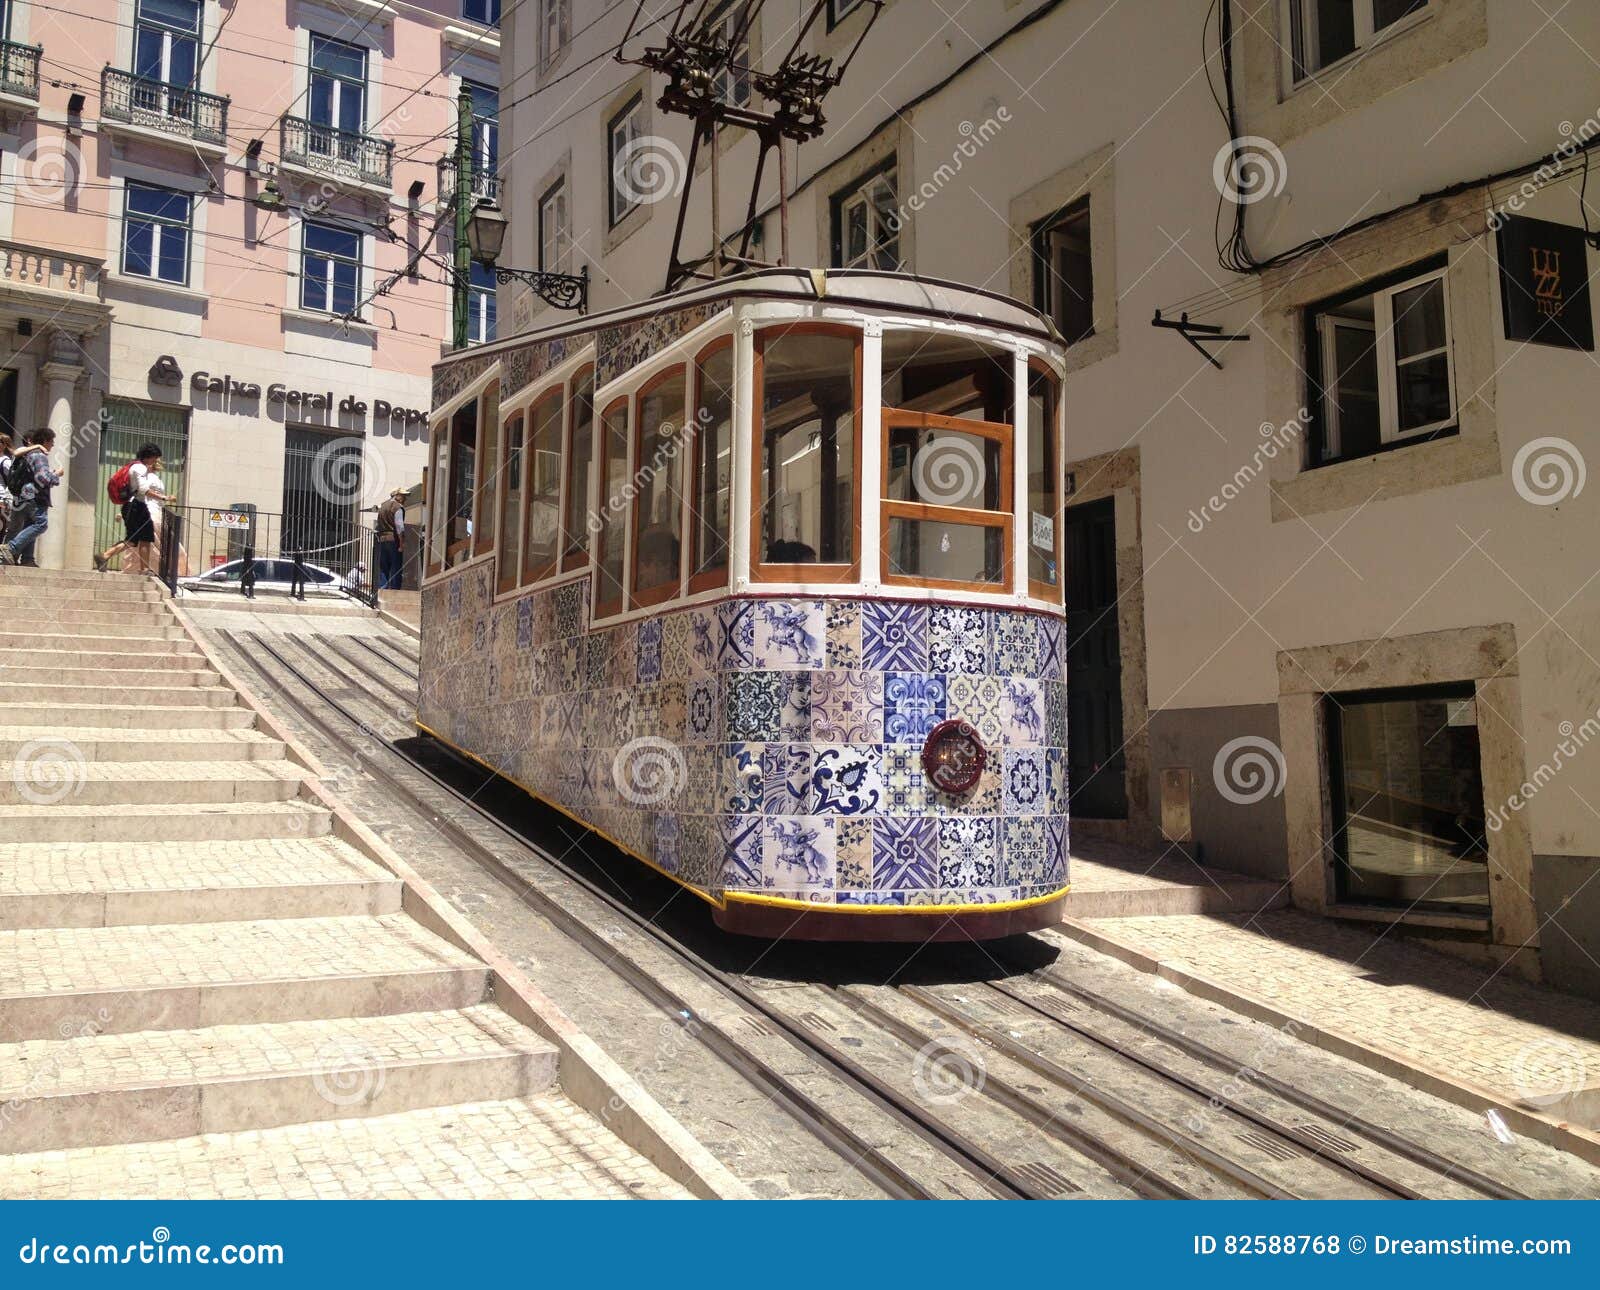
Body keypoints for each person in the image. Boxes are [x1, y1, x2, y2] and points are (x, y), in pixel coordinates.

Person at [94, 443, 162, 572]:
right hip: (137, 506)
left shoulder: (133, 465)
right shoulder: (140, 468)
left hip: (132, 506)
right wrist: (163, 497)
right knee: (144, 538)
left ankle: (106, 556)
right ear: (149, 456)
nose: (155, 461)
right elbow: (143, 489)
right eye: (155, 457)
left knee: (136, 539)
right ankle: (143, 569)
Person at [0, 428, 62, 567]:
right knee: (41, 524)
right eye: (51, 441)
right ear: (45, 441)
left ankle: (27, 559)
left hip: (23, 495)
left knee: (29, 525)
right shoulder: (39, 456)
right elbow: (43, 478)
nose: (53, 444)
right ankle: (10, 548)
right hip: (35, 496)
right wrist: (57, 474)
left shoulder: (28, 454)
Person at [374, 487, 406, 589]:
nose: (405, 498)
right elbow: (400, 527)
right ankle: (395, 589)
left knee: (384, 566)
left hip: (382, 539)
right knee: (396, 566)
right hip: (393, 539)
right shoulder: (397, 507)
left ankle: (383, 588)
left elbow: (378, 525)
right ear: (397, 496)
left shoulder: (383, 507)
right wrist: (401, 544)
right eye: (403, 496)